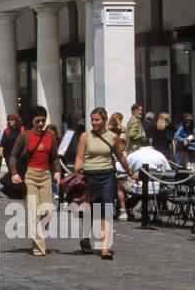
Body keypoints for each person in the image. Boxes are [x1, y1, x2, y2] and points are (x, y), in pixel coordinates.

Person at [74, 108, 136, 259]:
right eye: (92, 119)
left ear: (104, 120)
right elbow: (80, 158)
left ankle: (104, 247)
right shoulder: (85, 136)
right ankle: (86, 239)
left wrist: (130, 172)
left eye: (97, 120)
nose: (94, 123)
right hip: (89, 176)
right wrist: (75, 174)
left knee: (106, 210)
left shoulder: (113, 137)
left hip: (107, 175)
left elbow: (120, 156)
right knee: (88, 211)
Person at [9, 108, 62, 257]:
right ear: (32, 121)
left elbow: (55, 157)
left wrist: (57, 171)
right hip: (30, 175)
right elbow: (13, 155)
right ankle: (38, 245)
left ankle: (37, 235)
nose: (40, 124)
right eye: (37, 121)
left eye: (43, 121)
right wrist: (14, 173)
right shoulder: (25, 136)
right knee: (33, 211)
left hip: (45, 175)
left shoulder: (50, 136)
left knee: (47, 210)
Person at [124, 142, 173, 221]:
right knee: (161, 188)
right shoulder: (159, 154)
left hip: (138, 187)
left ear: (139, 145)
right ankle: (156, 213)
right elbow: (168, 171)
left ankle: (124, 209)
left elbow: (124, 169)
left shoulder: (133, 155)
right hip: (156, 188)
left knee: (122, 184)